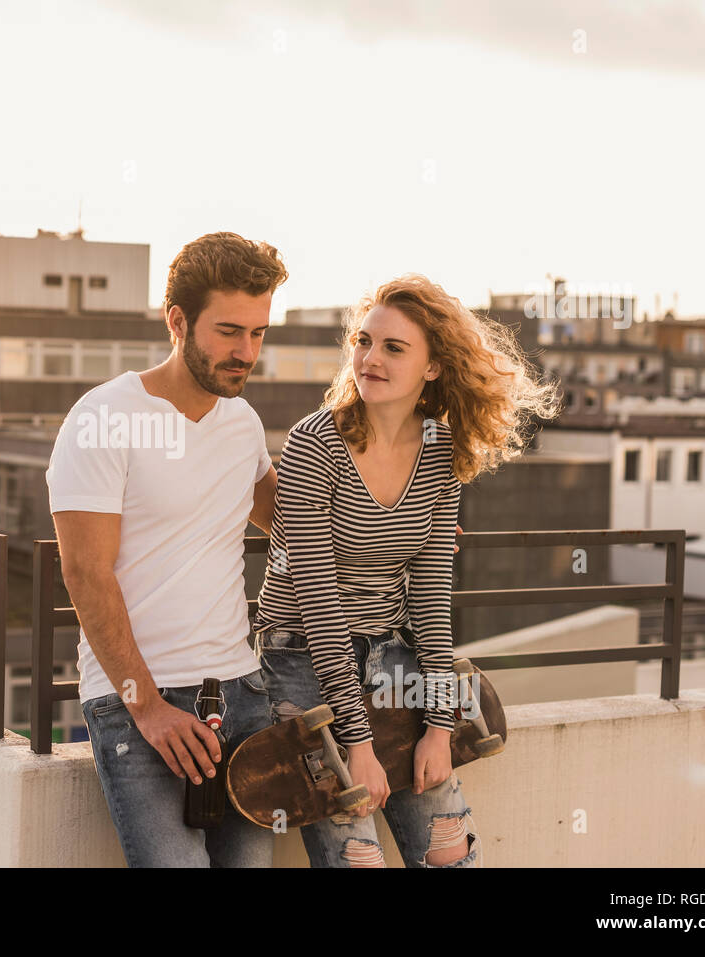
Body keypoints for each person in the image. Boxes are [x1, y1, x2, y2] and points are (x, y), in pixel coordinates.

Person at [253, 274, 561, 868]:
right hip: (303, 662)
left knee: (451, 852)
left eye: (394, 348)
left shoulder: (440, 450)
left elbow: (431, 604)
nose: (370, 358)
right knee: (357, 858)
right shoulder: (314, 446)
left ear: (433, 368)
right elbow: (317, 606)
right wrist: (359, 744)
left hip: (395, 660)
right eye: (364, 341)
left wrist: (440, 728)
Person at [46, 231, 287, 867]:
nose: (246, 352)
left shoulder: (242, 422)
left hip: (242, 695)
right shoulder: (103, 417)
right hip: (140, 706)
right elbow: (84, 572)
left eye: (259, 333)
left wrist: (404, 522)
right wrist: (146, 707)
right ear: (176, 320)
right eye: (229, 331)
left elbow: (292, 519)